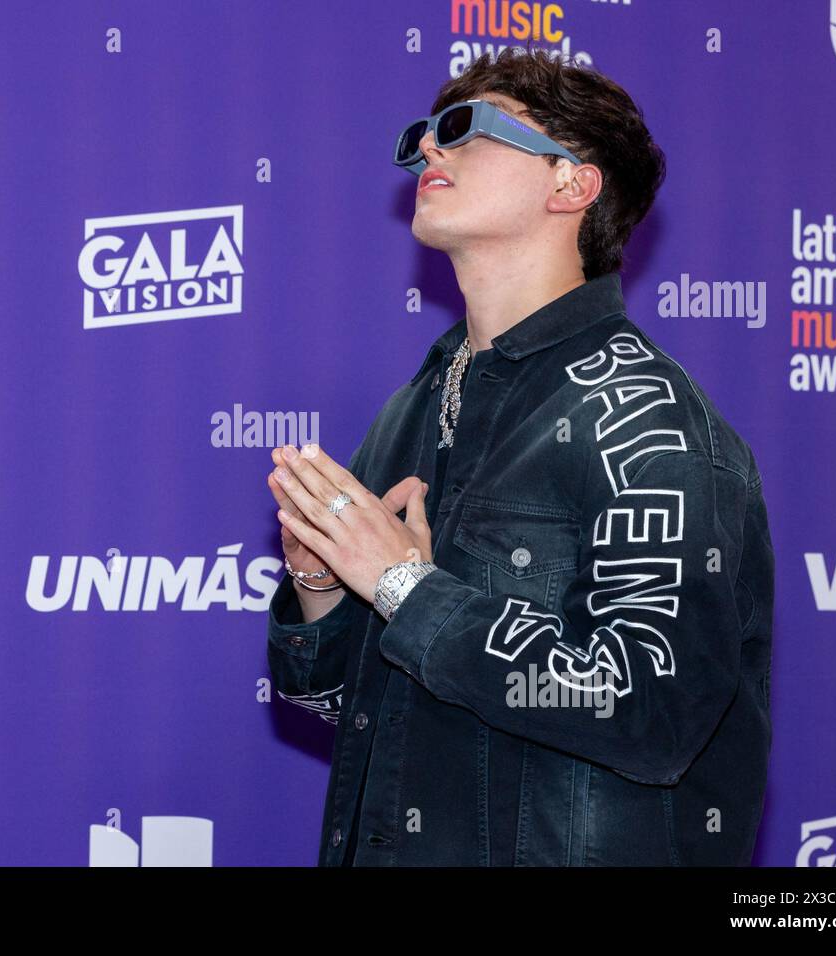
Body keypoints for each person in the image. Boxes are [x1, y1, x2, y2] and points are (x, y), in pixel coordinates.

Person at [265, 47, 774, 866]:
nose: (428, 147)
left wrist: (404, 586)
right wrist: (325, 584)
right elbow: (349, 710)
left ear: (571, 184)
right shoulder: (411, 408)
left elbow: (653, 709)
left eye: (467, 127)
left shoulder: (644, 419)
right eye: (426, 132)